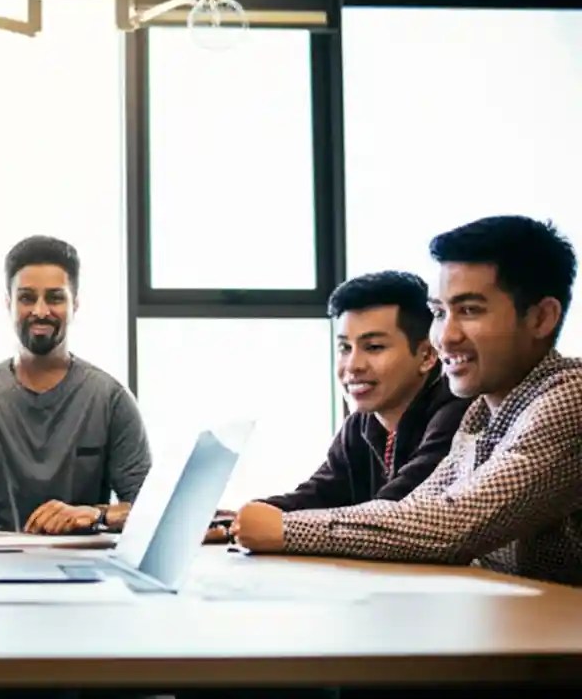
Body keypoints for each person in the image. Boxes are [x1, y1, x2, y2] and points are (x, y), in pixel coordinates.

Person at [233, 216, 582, 586]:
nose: (445, 337)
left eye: (469, 310)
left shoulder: (571, 397)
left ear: (541, 318)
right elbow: (415, 511)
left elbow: (453, 524)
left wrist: (285, 529)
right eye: (439, 313)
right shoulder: (482, 413)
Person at [206, 271, 470, 544]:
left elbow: (393, 513)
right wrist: (237, 521)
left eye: (374, 347)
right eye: (345, 348)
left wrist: (279, 527)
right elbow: (318, 494)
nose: (353, 366)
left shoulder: (457, 412)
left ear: (427, 355)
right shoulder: (361, 423)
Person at [0, 235, 152, 533]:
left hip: (86, 568)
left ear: (76, 304)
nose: (41, 311)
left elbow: (151, 510)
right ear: (8, 304)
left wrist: (95, 515)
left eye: (55, 297)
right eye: (27, 298)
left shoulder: (110, 399)